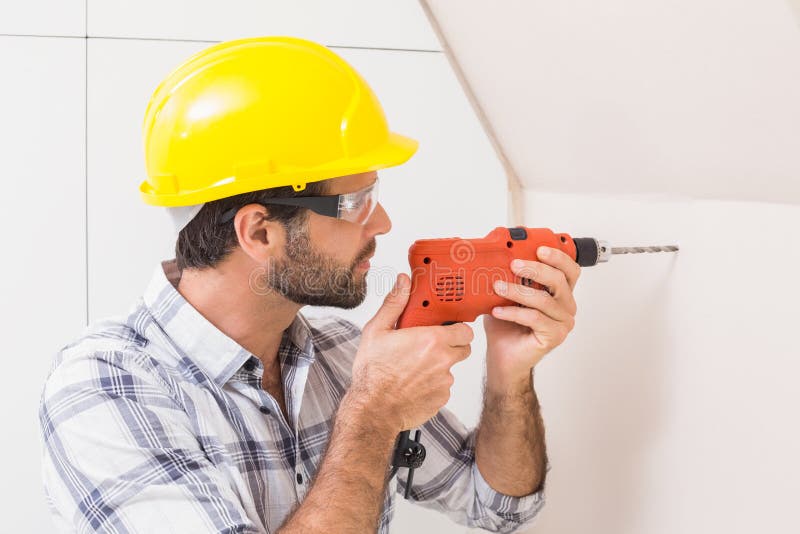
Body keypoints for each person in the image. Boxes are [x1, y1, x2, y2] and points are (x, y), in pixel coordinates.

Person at [39, 36, 580, 533]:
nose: (382, 223)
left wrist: (509, 373)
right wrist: (373, 414)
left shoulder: (343, 355)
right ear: (260, 231)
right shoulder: (106, 390)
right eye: (356, 202)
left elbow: (496, 503)